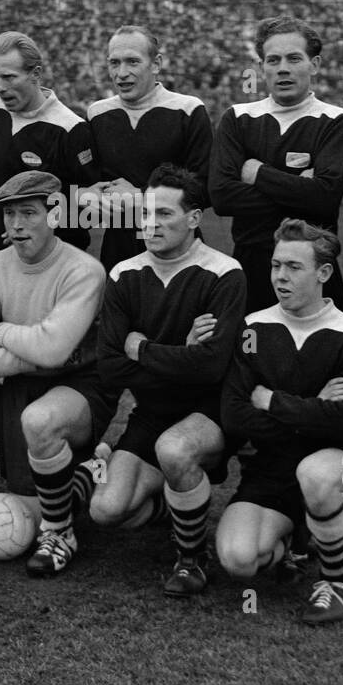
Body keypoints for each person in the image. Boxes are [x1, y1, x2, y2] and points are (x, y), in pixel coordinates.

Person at [0, 171, 116, 577]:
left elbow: (56, 348)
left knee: (40, 423)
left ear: (57, 214)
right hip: (23, 386)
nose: (17, 225)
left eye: (29, 213)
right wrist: (43, 354)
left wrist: (3, 332)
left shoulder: (84, 270)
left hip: (84, 383)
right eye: (9, 215)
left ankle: (60, 534)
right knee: (29, 496)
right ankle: (90, 471)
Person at [93, 163, 245, 596]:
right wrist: (182, 352)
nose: (150, 224)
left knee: (175, 448)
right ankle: (179, 505)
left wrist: (142, 348)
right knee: (107, 510)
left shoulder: (224, 272)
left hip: (210, 411)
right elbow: (108, 368)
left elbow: (211, 369)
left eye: (164, 214)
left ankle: (191, 558)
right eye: (145, 214)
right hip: (153, 412)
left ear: (194, 219)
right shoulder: (124, 273)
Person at [216, 220, 343, 625]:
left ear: (323, 273)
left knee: (315, 475)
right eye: (275, 265)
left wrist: (272, 400)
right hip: (268, 471)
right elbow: (234, 416)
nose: (280, 277)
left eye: (293, 267)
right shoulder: (253, 328)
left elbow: (341, 425)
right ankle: (295, 539)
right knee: (238, 561)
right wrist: (311, 408)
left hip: (333, 463)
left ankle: (335, 585)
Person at [209, 16, 343, 313]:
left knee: (318, 356)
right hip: (252, 267)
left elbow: (325, 197)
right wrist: (301, 189)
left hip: (314, 267)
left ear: (314, 65)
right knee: (250, 355)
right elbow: (222, 197)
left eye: (294, 58)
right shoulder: (237, 118)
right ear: (262, 67)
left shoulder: (336, 120)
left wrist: (257, 173)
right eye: (273, 60)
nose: (283, 68)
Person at [0, 31, 100, 252]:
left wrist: (34, 230)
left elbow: (90, 207)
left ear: (35, 73)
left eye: (9, 77)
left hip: (55, 259)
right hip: (3, 252)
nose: (0, 86)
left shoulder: (70, 129)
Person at [86, 26, 214, 270]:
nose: (121, 73)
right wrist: (89, 195)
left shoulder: (188, 110)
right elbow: (89, 182)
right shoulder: (97, 113)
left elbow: (205, 187)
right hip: (119, 249)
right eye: (114, 63)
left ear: (156, 64)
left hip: (178, 248)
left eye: (132, 61)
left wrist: (143, 199)